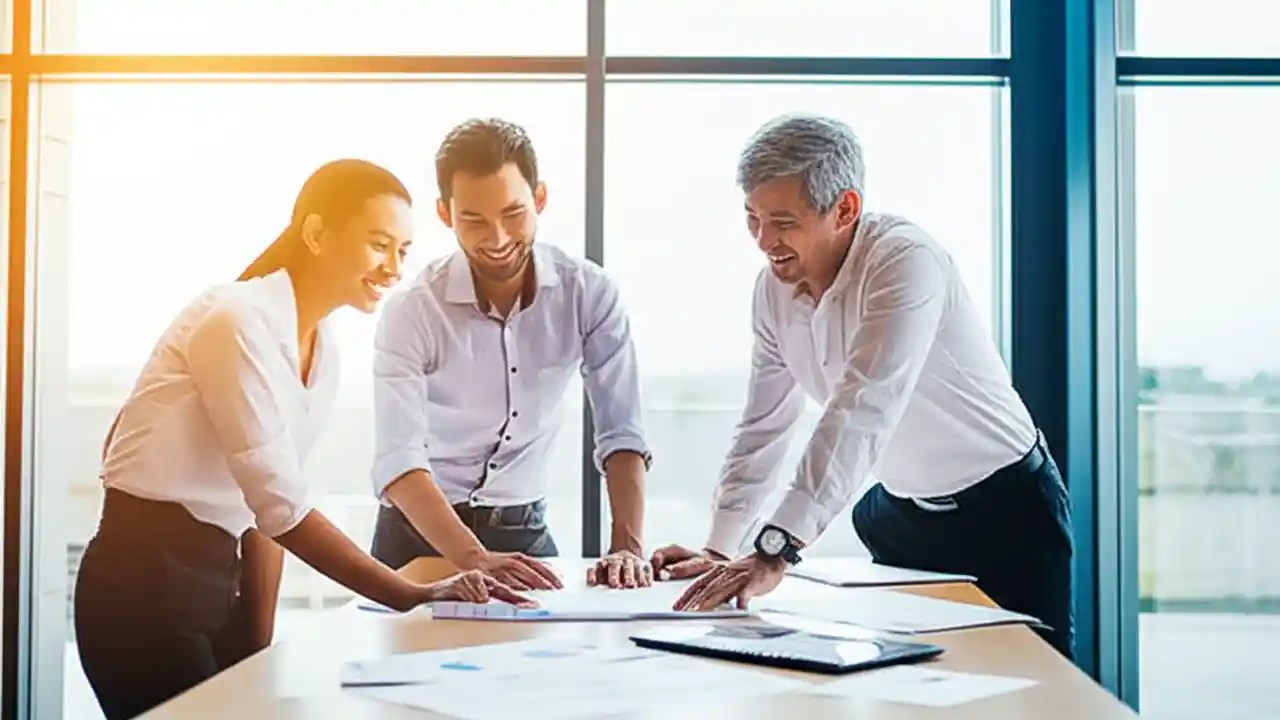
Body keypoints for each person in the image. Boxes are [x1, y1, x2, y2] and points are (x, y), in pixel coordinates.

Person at [73, 159, 532, 720]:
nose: (392, 267)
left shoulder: (324, 352)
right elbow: (282, 507)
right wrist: (408, 593)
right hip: (139, 589)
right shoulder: (235, 319)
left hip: (219, 583)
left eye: (403, 251)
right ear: (316, 234)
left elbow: (268, 517)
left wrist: (255, 650)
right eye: (378, 244)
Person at [649, 113, 1075, 659]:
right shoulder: (772, 290)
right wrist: (719, 546)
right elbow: (764, 426)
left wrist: (776, 548)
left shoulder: (905, 261)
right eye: (752, 218)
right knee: (917, 693)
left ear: (845, 209)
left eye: (783, 221)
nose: (763, 240)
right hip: (902, 519)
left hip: (1008, 511)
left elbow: (863, 408)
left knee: (1035, 690)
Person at [369, 117, 653, 590]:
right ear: (445, 214)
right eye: (474, 220)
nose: (497, 238)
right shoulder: (413, 310)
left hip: (524, 532)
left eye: (513, 214)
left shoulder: (589, 293)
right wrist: (472, 556)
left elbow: (621, 431)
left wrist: (627, 546)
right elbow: (398, 461)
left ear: (539, 200)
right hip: (417, 536)